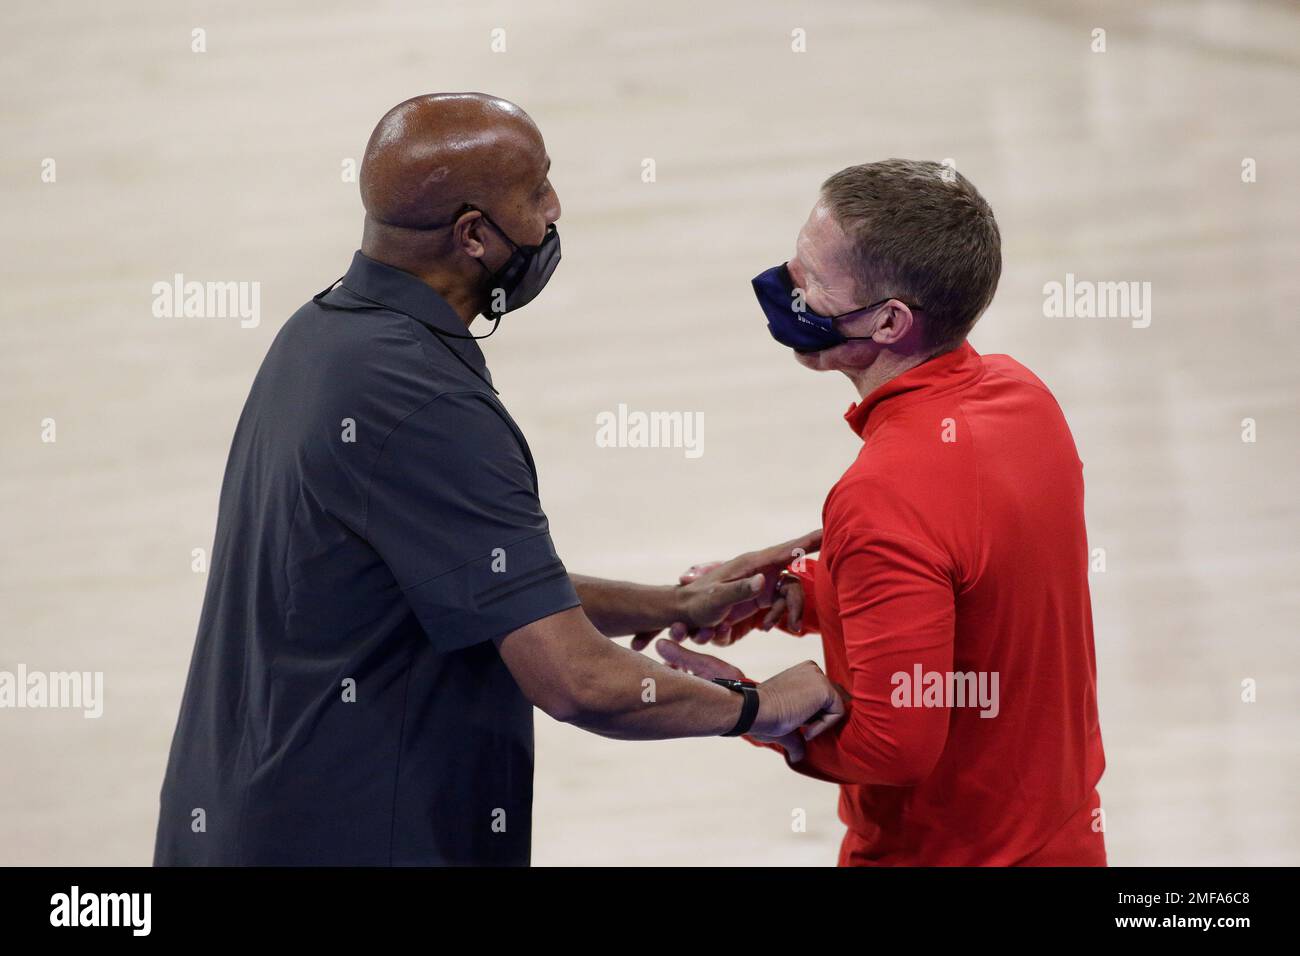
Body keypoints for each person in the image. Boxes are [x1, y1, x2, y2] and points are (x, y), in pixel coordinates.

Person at [152, 92, 842, 866]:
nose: (555, 209)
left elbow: (469, 577)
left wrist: (678, 604)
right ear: (473, 234)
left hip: (247, 813)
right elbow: (575, 680)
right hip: (357, 833)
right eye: (537, 190)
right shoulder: (424, 401)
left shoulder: (322, 337)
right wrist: (759, 705)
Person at [657, 160, 1107, 866]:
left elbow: (894, 746)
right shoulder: (1025, 400)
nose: (787, 284)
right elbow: (968, 584)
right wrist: (798, 596)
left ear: (890, 321)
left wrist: (742, 704)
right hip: (1062, 839)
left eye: (811, 278)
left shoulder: (881, 494)